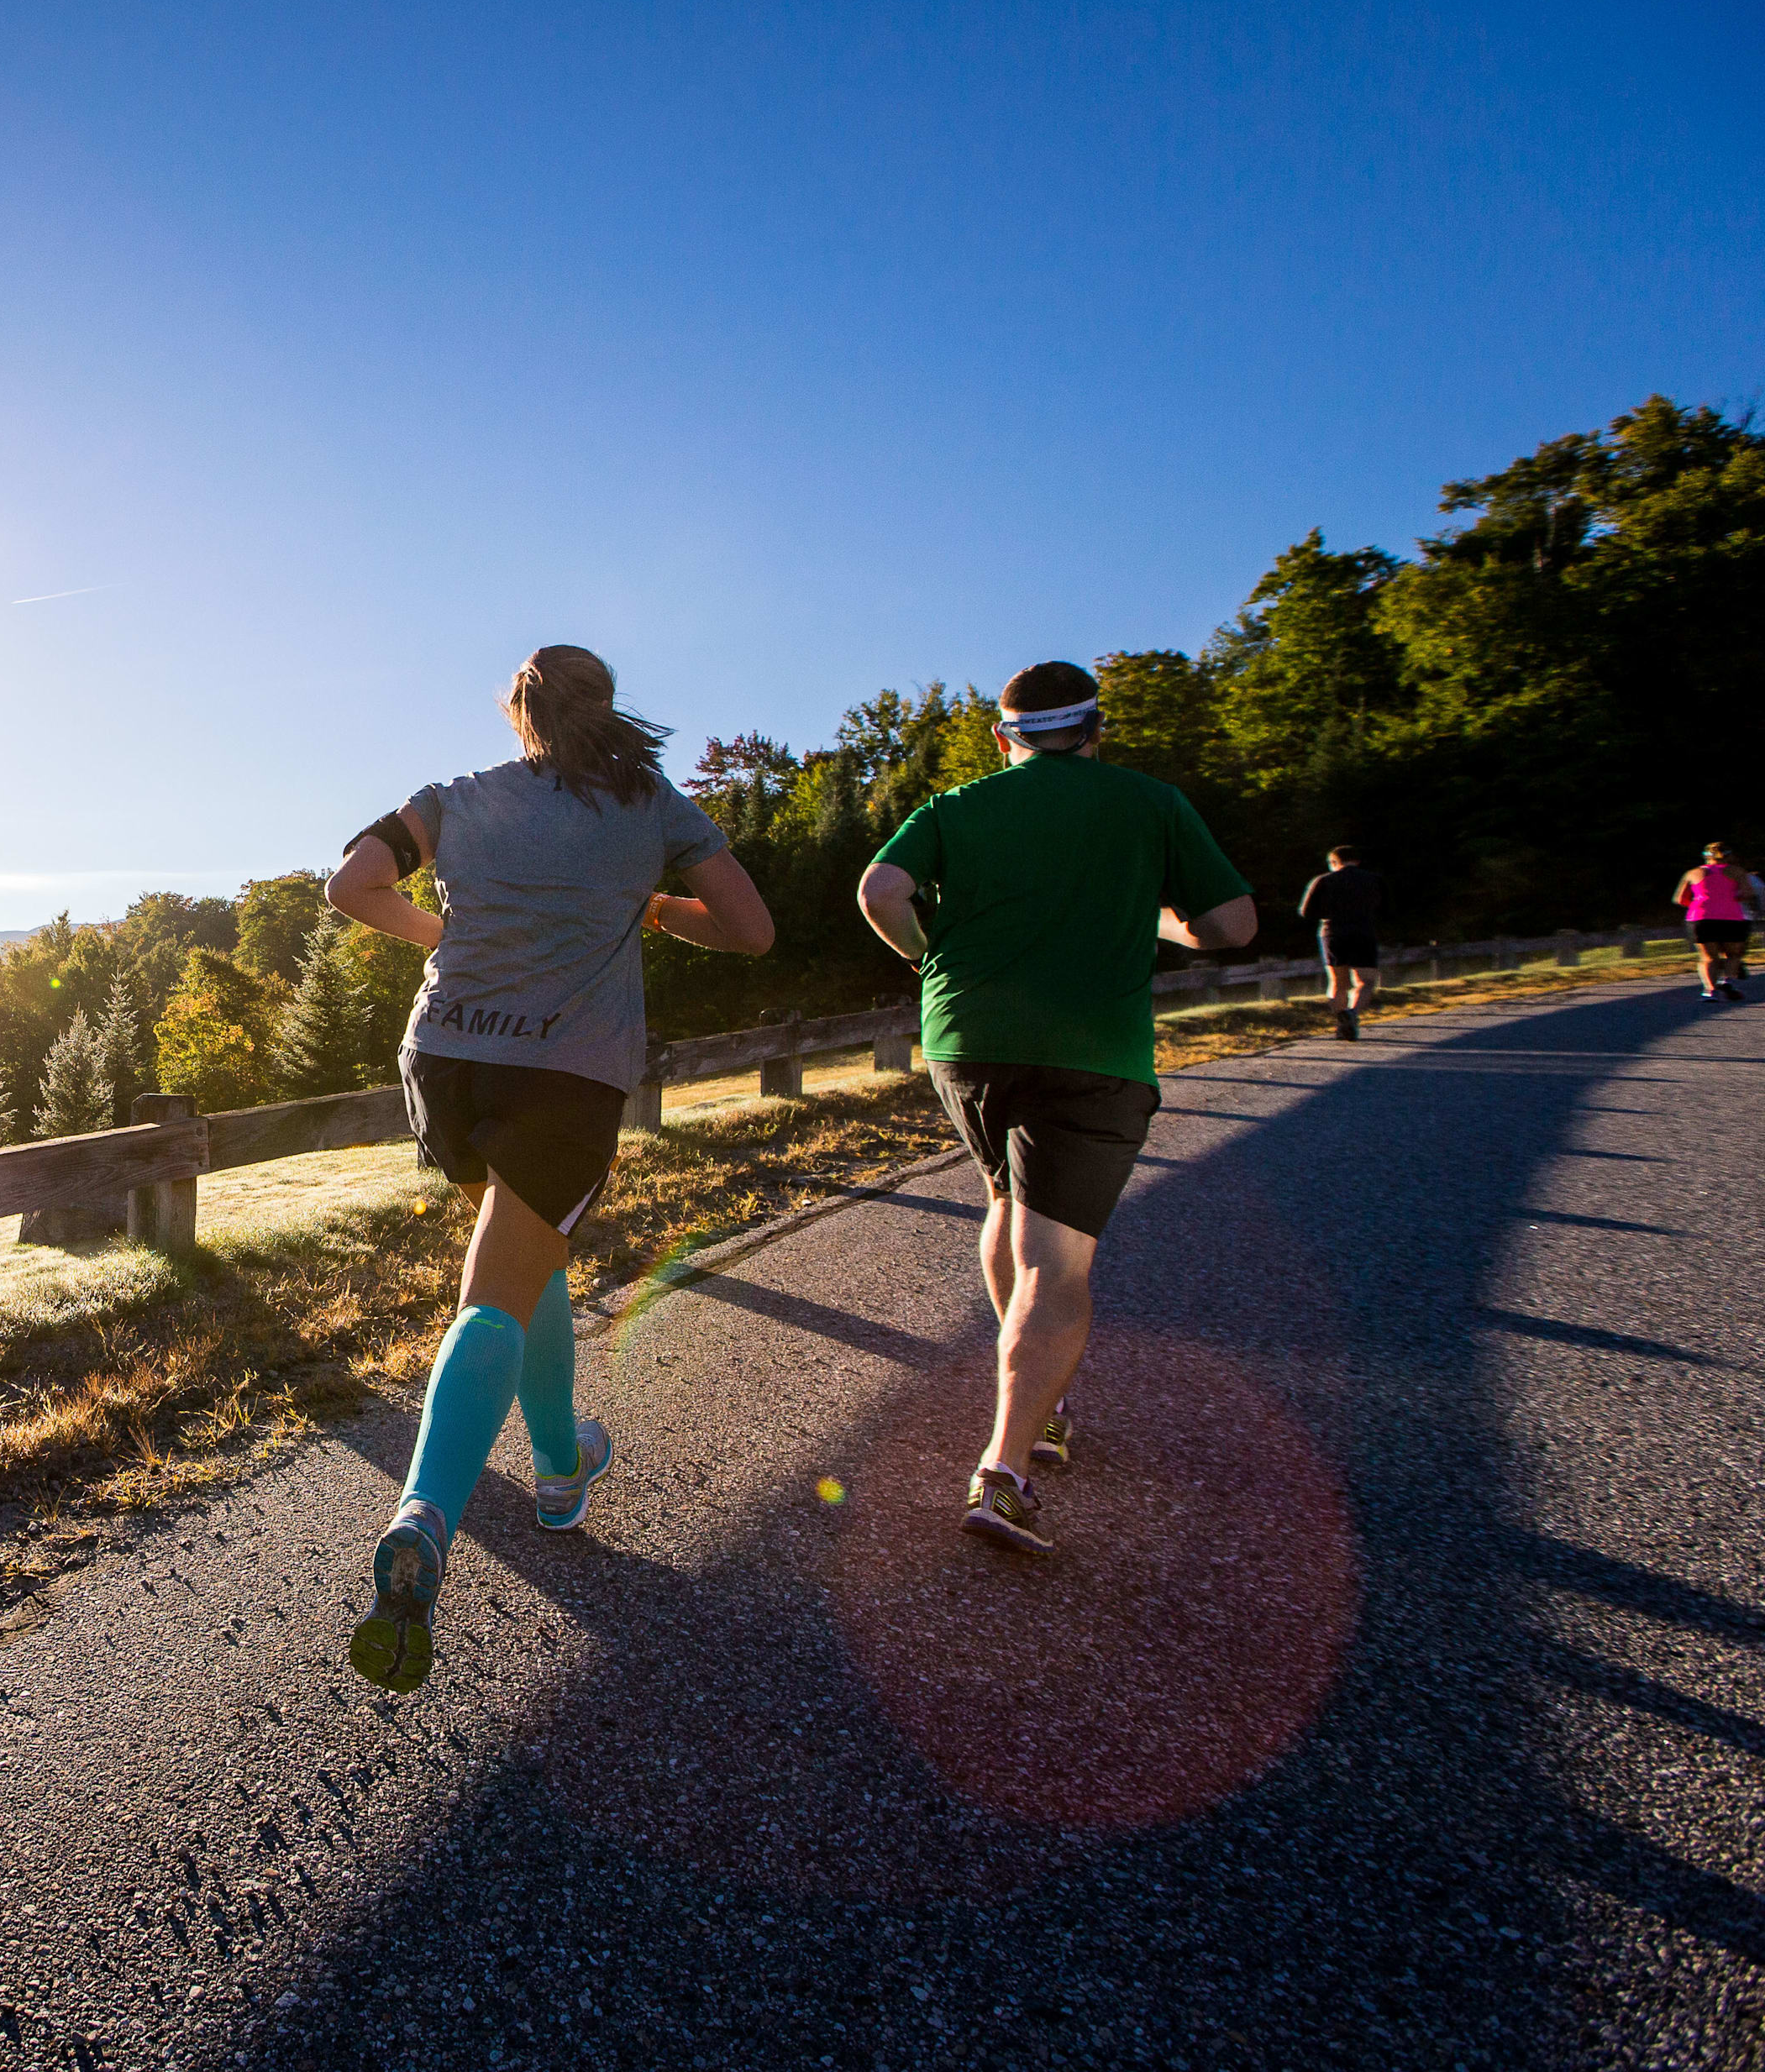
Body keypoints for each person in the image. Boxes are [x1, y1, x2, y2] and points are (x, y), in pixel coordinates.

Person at [328, 645, 773, 1691]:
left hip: (444, 1061)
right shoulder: (653, 805)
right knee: (497, 1285)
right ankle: (426, 1513)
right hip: (565, 1074)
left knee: (528, 1256)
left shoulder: (458, 796)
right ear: (605, 709)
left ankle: (563, 1468)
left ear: (516, 712)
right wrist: (658, 907)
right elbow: (750, 930)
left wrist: (439, 930)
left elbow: (353, 881)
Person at [855, 661, 1257, 1555]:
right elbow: (1233, 925)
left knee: (1005, 1200)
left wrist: (928, 958)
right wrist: (1159, 918)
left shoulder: (957, 805)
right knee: (1056, 1263)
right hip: (1089, 1051)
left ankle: (1033, 1401)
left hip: (965, 1038)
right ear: (1096, 731)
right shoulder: (1150, 802)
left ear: (1006, 740)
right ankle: (1006, 1467)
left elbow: (880, 892)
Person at [1299, 847, 1384, 1040]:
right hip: (1363, 932)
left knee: (1337, 982)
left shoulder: (1323, 880)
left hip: (1333, 933)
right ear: (1357, 861)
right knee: (1365, 981)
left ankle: (1341, 1023)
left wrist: (1329, 915)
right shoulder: (1374, 880)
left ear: (1333, 862)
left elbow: (1306, 912)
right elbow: (1388, 907)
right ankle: (1352, 1014)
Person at [1673, 842, 1752, 1002]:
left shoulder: (1693, 873)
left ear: (1706, 857)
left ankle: (1710, 991)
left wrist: (1701, 905)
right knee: (1734, 954)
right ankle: (1728, 981)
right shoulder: (1737, 872)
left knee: (1708, 958)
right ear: (1729, 856)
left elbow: (1680, 899)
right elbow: (1747, 893)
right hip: (1731, 917)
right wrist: (1731, 899)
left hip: (1701, 918)